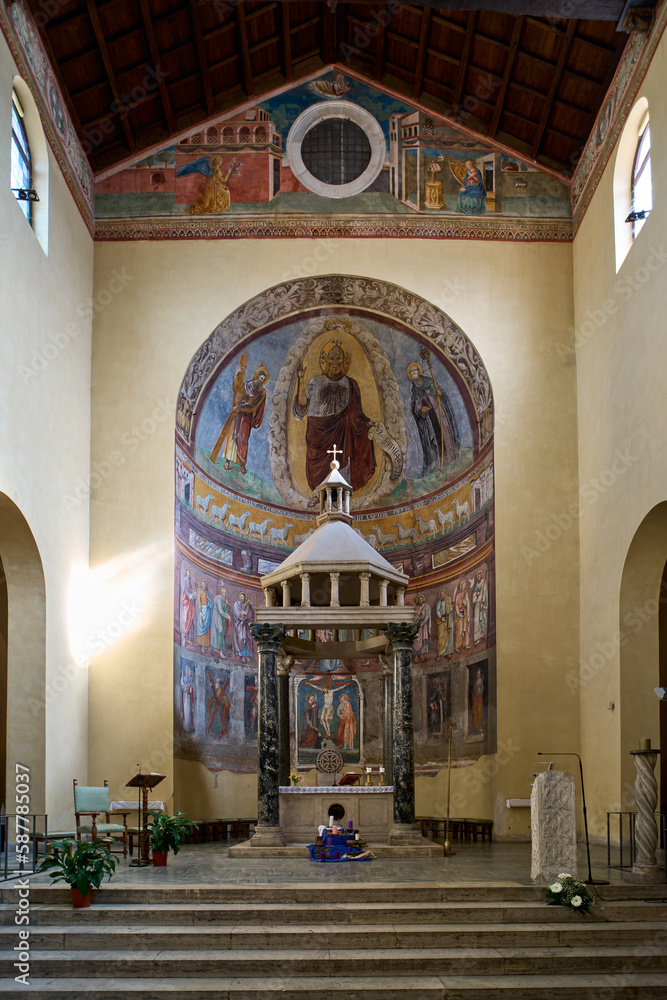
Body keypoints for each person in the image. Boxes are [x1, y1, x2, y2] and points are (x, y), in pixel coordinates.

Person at [294, 335, 376, 492]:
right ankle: (318, 495)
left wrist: (367, 423)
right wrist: (301, 379)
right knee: (317, 464)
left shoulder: (350, 383)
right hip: (318, 430)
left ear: (344, 362)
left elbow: (356, 412)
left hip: (342, 429)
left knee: (341, 459)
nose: (335, 362)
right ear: (326, 361)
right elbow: (302, 403)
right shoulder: (316, 381)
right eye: (332, 358)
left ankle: (342, 494)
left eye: (339, 359)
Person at [211, 364, 269, 474]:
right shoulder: (247, 385)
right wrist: (236, 376)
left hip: (247, 416)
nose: (261, 381)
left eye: (263, 380)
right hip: (237, 414)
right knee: (232, 435)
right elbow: (237, 390)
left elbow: (253, 407)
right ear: (257, 377)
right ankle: (227, 460)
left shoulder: (262, 393)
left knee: (243, 439)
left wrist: (239, 407)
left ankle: (242, 463)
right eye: (260, 378)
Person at [407, 362, 459, 475]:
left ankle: (449, 459)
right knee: (433, 440)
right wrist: (420, 410)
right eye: (411, 373)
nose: (413, 375)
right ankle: (436, 464)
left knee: (443, 435)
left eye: (414, 372)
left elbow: (440, 392)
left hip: (437, 413)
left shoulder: (429, 381)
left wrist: (441, 394)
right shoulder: (414, 389)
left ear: (419, 372)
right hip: (428, 420)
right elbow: (414, 406)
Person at [233, 591, 255, 663]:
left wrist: (246, 613)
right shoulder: (237, 604)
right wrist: (241, 614)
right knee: (241, 638)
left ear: (245, 597)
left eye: (243, 597)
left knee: (248, 638)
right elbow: (236, 614)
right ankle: (242, 655)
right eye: (241, 597)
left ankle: (247, 655)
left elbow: (251, 615)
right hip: (240, 625)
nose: (242, 598)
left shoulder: (248, 605)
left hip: (246, 625)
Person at [207, 672, 231, 737]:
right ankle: (215, 733)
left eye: (219, 680)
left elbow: (225, 699)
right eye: (217, 679)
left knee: (220, 721)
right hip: (214, 706)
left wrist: (222, 700)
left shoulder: (221, 690)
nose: (218, 681)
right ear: (215, 680)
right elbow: (211, 697)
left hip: (220, 707)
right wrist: (211, 688)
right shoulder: (213, 689)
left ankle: (219, 733)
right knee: (214, 720)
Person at [211, 582, 232, 656]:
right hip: (217, 616)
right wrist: (227, 616)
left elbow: (226, 610)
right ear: (221, 592)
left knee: (221, 633)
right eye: (223, 592)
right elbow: (220, 610)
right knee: (220, 631)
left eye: (225, 593)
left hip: (222, 618)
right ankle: (220, 651)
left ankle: (217, 648)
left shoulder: (224, 600)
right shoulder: (218, 598)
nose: (224, 594)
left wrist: (228, 605)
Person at [435, 588, 454, 659]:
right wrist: (440, 618)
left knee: (448, 635)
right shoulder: (439, 602)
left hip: (448, 619)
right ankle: (440, 653)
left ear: (445, 593)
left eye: (443, 593)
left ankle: (448, 652)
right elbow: (437, 611)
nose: (442, 595)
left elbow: (450, 610)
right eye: (441, 594)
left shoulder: (448, 600)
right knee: (440, 637)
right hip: (441, 621)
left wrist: (452, 605)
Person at [471, 570, 488, 644]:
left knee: (483, 619)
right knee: (476, 620)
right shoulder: (476, 585)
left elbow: (484, 592)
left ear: (481, 576)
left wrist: (482, 602)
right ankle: (477, 637)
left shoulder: (483, 582)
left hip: (482, 603)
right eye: (477, 576)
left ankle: (484, 633)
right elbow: (474, 594)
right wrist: (476, 594)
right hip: (477, 604)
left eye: (480, 576)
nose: (479, 577)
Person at [413, 594, 431, 662]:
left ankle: (422, 655)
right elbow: (414, 619)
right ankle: (416, 656)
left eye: (421, 599)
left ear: (423, 599)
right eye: (419, 600)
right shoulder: (416, 608)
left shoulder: (426, 606)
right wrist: (417, 613)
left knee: (424, 639)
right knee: (416, 640)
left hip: (424, 625)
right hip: (418, 625)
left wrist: (423, 623)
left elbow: (427, 616)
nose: (420, 601)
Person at [181, 568, 196, 647]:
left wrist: (193, 592)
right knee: (186, 619)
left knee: (190, 619)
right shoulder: (185, 579)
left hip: (190, 602)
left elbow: (190, 589)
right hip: (187, 602)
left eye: (189, 572)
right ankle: (184, 637)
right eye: (187, 572)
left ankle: (188, 639)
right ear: (186, 573)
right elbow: (186, 590)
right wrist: (189, 595)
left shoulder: (189, 580)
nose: (188, 574)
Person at [454, 580, 471, 651]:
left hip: (465, 612)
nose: (464, 586)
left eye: (465, 585)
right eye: (463, 585)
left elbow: (468, 602)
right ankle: (457, 646)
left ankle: (466, 644)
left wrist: (466, 603)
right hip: (460, 613)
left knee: (465, 629)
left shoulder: (466, 593)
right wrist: (458, 613)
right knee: (460, 630)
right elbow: (456, 604)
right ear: (461, 586)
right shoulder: (458, 595)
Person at [196, 578, 212, 650]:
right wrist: (200, 611)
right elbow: (198, 601)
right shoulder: (199, 590)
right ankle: (202, 645)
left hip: (207, 610)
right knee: (201, 626)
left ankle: (205, 645)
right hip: (202, 610)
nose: (203, 585)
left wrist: (209, 599)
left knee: (206, 627)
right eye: (202, 584)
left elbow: (210, 602)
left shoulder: (206, 591)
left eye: (204, 584)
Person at [471, 668, 484, 734]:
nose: (478, 675)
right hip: (475, 700)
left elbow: (482, 690)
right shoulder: (475, 682)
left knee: (479, 713)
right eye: (477, 674)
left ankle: (479, 727)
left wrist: (480, 692)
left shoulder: (481, 681)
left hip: (479, 700)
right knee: (475, 713)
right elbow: (473, 691)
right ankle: (475, 728)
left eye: (479, 674)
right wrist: (474, 696)